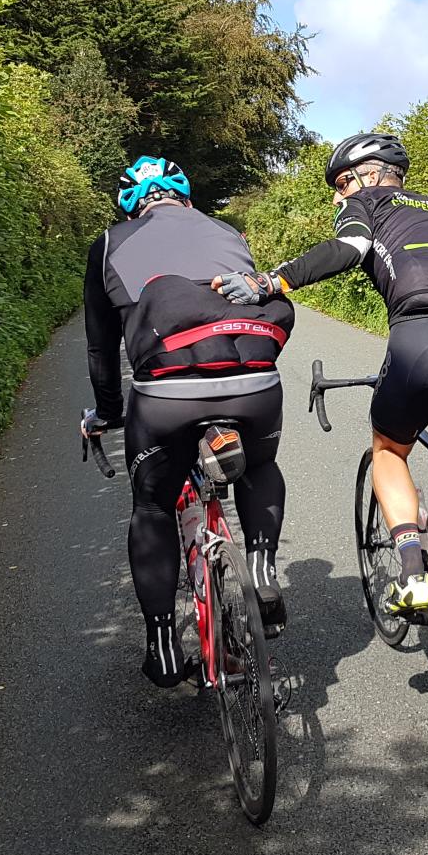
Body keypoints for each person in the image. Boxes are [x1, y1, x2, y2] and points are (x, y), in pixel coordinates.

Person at [214, 133, 428, 616]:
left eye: (342, 181)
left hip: (422, 336)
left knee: (390, 449)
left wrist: (270, 281)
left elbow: (349, 247)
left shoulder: (369, 201)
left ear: (371, 175)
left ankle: (413, 576)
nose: (338, 194)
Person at [81, 155, 295, 687]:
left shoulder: (110, 244)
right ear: (185, 197)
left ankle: (162, 647)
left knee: (153, 505)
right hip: (253, 382)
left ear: (129, 204)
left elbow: (102, 350)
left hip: (167, 394)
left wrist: (106, 413)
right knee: (260, 466)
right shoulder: (227, 230)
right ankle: (264, 570)